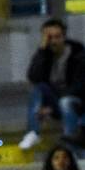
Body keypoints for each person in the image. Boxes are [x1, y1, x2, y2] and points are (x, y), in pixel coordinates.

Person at [19, 18, 85, 150]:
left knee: (65, 102)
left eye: (57, 37)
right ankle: (33, 132)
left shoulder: (79, 55)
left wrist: (51, 109)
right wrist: (42, 51)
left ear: (64, 37)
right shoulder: (45, 55)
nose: (53, 41)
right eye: (49, 37)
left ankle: (71, 144)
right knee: (38, 89)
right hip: (55, 101)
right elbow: (34, 77)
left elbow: (79, 86)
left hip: (76, 101)